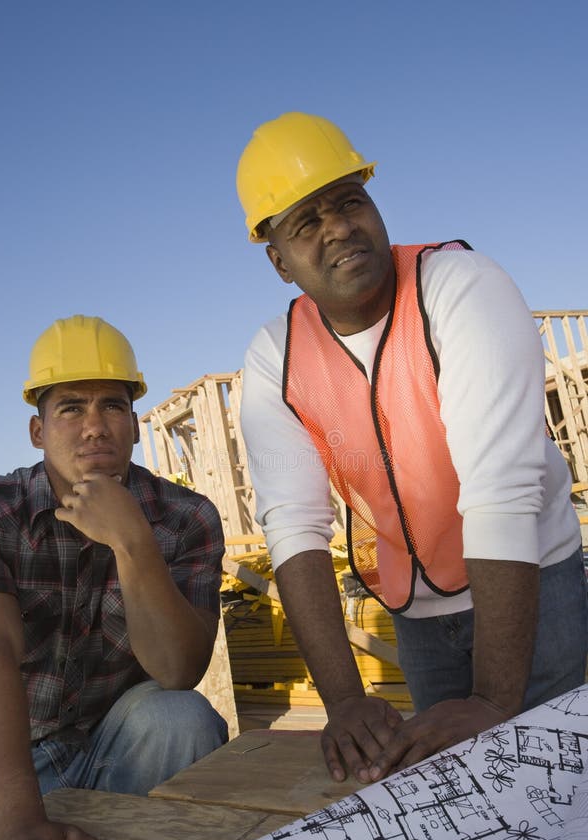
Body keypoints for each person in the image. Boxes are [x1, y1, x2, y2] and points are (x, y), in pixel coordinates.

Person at [237, 112, 588, 787]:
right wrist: (342, 700)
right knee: (460, 798)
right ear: (278, 259)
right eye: (306, 222)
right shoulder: (273, 360)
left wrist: (492, 699)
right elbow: (294, 529)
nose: (338, 226)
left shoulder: (460, 289)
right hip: (418, 617)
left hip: (533, 588)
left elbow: (501, 492)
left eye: (349, 201)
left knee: (551, 791)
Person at [0, 315, 228, 840]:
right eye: (71, 408)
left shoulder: (186, 516)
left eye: (113, 407)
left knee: (180, 716)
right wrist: (15, 817)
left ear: (136, 424)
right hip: (12, 756)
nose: (96, 427)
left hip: (115, 744)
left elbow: (178, 670)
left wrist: (132, 540)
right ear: (37, 431)